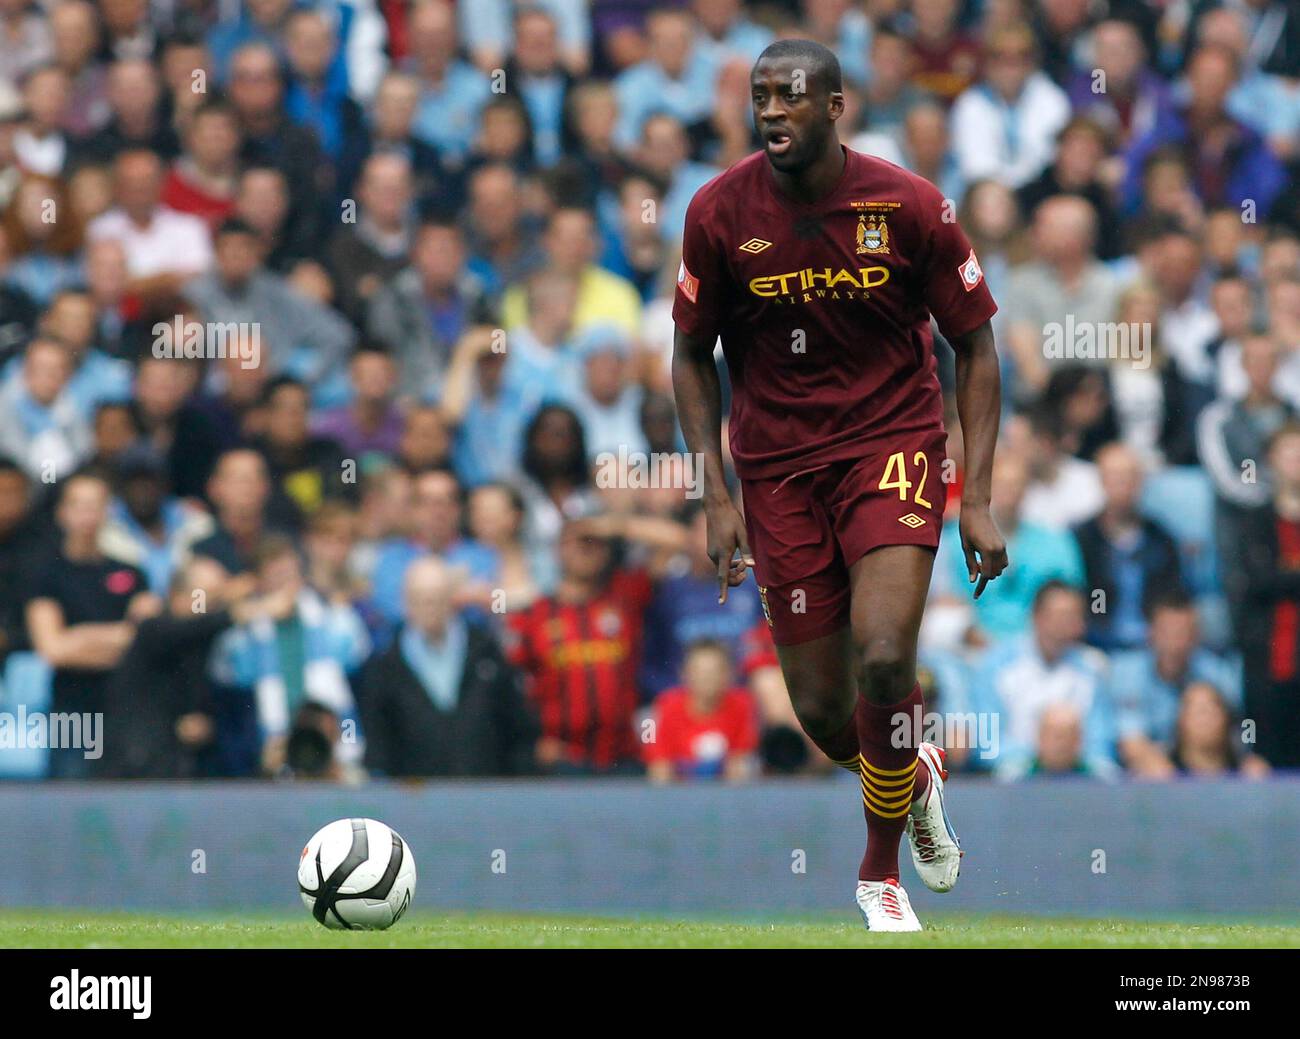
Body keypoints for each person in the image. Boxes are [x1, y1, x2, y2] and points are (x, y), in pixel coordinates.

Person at [671, 39, 1007, 931]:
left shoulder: (908, 205)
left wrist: (973, 496)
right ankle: (915, 767)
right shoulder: (716, 212)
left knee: (888, 653)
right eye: (759, 96)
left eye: (791, 95)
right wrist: (715, 493)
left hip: (891, 445)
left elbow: (976, 344)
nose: (772, 110)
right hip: (778, 471)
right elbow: (688, 355)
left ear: (835, 106)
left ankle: (876, 873)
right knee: (829, 716)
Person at [25, 471, 156, 778]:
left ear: (108, 511)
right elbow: (53, 649)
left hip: (124, 705)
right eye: (78, 505)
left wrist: (78, 637)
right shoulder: (44, 574)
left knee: (127, 800)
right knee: (69, 797)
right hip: (71, 709)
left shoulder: (132, 573)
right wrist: (119, 635)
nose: (87, 515)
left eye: (95, 505)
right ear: (62, 512)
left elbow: (145, 640)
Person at [359, 556, 536, 777]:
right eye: (419, 599)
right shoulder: (384, 667)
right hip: (414, 800)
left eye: (435, 598)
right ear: (405, 602)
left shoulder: (488, 654)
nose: (428, 608)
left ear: (451, 599)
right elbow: (378, 743)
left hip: (486, 793)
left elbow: (518, 727)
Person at [644, 638, 759, 783]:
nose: (707, 678)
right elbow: (658, 763)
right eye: (699, 671)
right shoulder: (664, 705)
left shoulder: (743, 704)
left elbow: (741, 759)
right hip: (677, 793)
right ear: (684, 673)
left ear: (729, 674)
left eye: (715, 671)